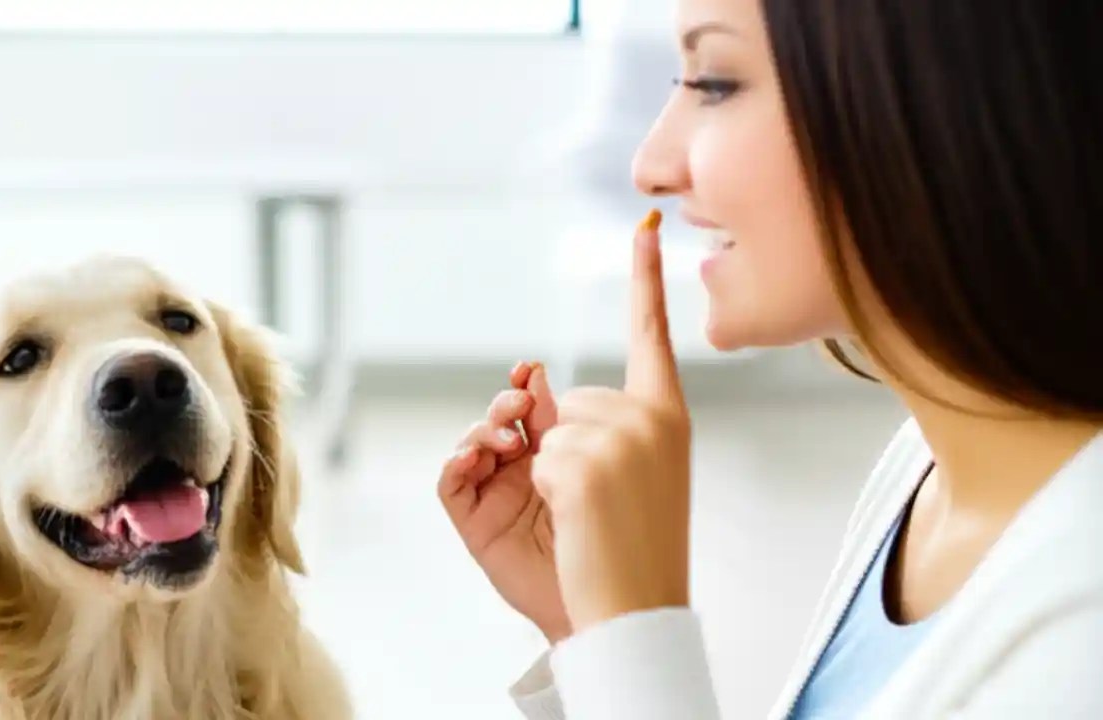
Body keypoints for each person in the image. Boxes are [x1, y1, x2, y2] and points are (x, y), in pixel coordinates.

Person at [436, 0, 1103, 718]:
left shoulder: (1082, 624)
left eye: (715, 82)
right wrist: (590, 630)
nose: (650, 165)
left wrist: (632, 636)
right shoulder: (928, 466)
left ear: (927, 98)